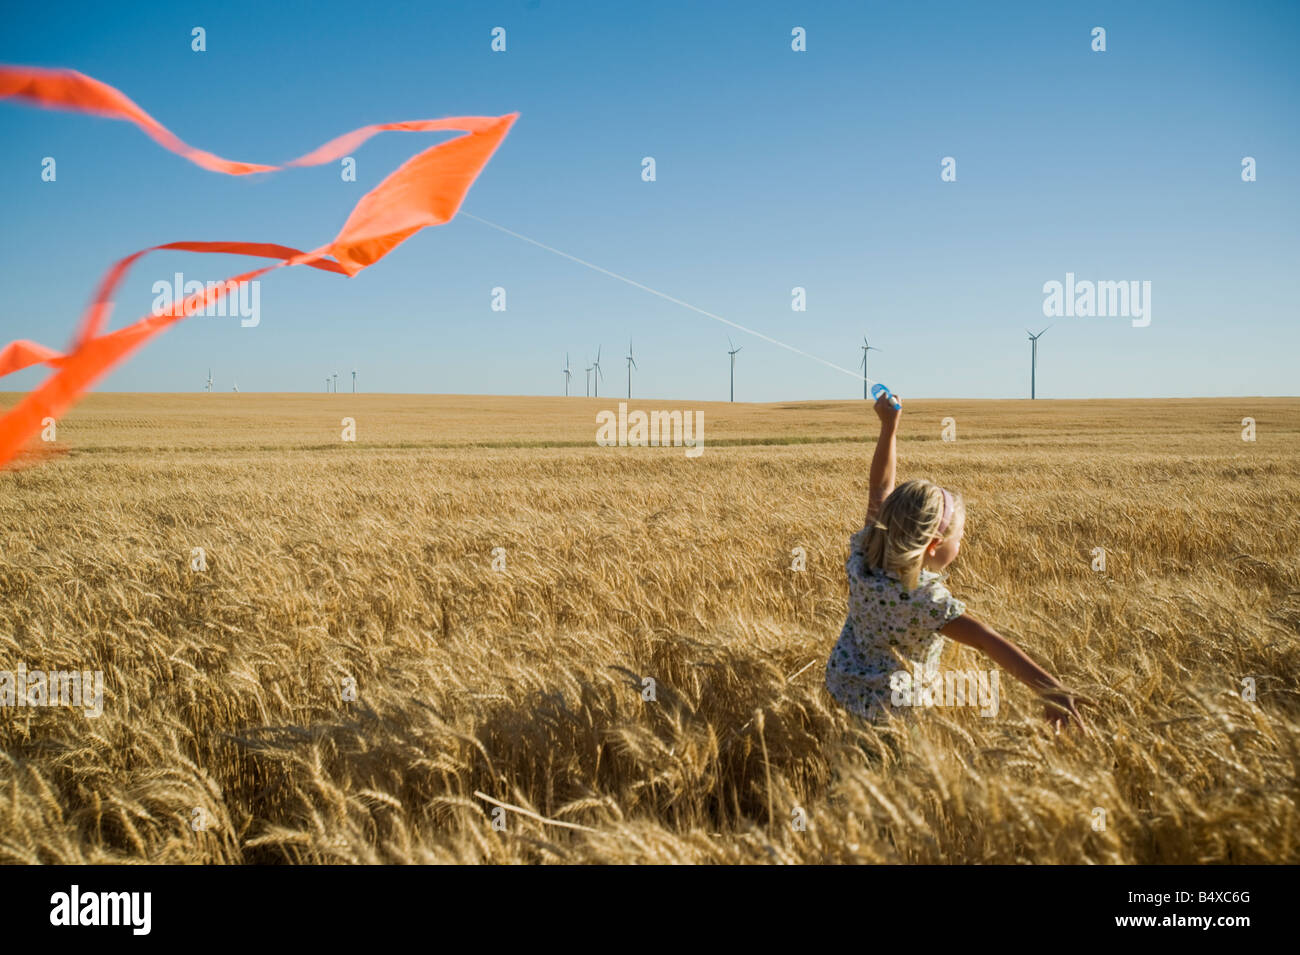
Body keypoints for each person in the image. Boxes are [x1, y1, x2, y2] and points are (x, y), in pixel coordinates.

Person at [824, 391, 1090, 733]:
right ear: (933, 545)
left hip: (843, 689)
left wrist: (889, 426)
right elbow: (985, 638)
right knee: (886, 777)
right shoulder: (924, 602)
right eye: (958, 538)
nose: (961, 544)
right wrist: (1049, 687)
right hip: (893, 714)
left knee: (851, 773)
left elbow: (880, 488)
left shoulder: (866, 554)